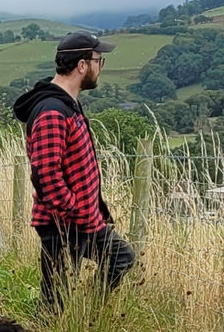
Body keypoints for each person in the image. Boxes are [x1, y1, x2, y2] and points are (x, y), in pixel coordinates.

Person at [13, 31, 136, 311]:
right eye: (98, 60)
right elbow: (45, 173)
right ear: (82, 65)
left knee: (121, 258)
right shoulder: (52, 111)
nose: (100, 67)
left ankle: (88, 318)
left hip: (83, 220)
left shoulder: (68, 104)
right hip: (64, 224)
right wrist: (72, 210)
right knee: (54, 303)